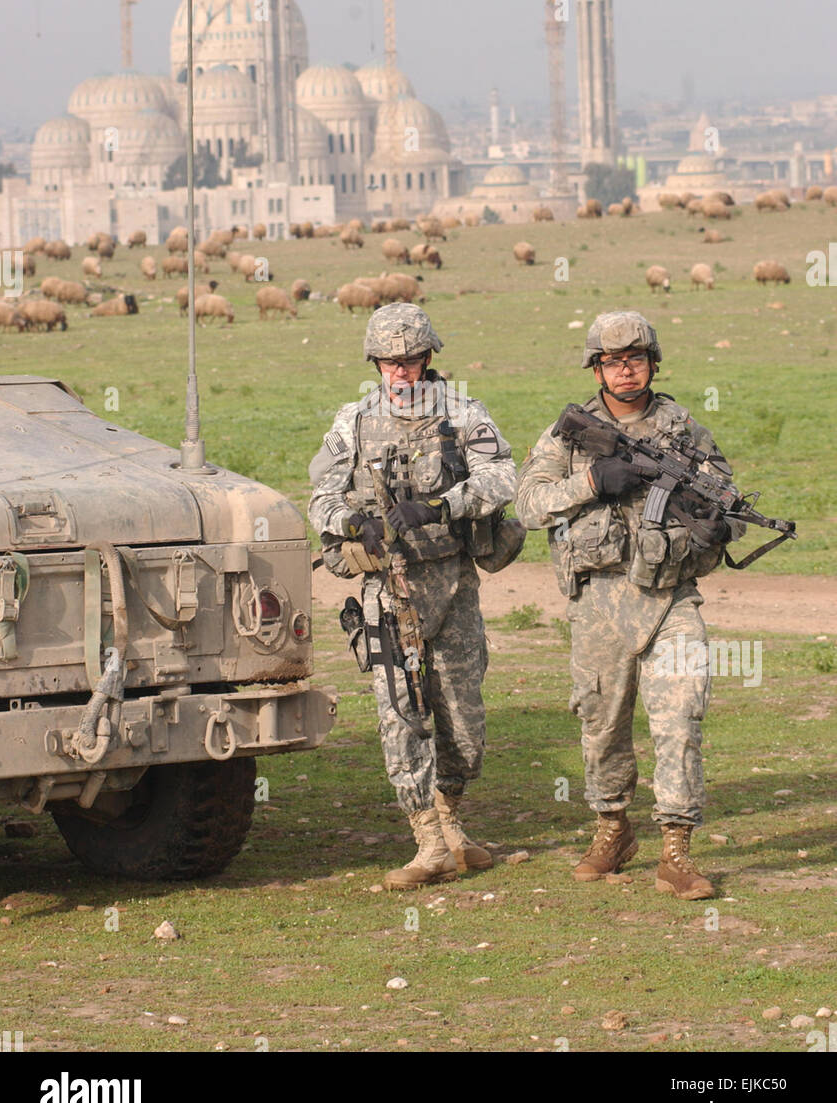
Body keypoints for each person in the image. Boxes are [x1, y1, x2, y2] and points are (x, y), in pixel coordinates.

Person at [516, 311, 744, 900]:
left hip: (670, 599)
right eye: (612, 361)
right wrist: (592, 482)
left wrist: (718, 527)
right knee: (602, 725)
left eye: (635, 359)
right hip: (597, 601)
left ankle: (677, 850)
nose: (625, 371)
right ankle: (612, 832)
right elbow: (528, 506)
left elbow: (726, 502)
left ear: (653, 363)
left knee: (680, 719)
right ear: (597, 368)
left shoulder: (682, 428)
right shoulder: (568, 433)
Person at [309, 303, 519, 889]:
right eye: (390, 363)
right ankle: (426, 835)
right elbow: (319, 497)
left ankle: (452, 819)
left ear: (428, 359)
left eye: (410, 360)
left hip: (452, 584)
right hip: (387, 589)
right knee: (401, 713)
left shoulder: (463, 413)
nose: (401, 372)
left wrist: (440, 505)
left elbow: (504, 477)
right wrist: (353, 525)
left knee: (463, 720)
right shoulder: (353, 422)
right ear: (375, 363)